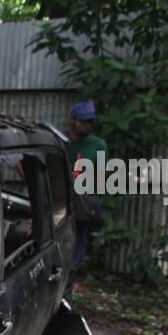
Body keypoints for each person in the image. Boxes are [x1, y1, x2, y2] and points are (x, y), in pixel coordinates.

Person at [64, 99, 106, 302]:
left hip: (80, 210)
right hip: (59, 207)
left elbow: (101, 178)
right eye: (84, 121)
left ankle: (66, 299)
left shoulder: (97, 146)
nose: (88, 125)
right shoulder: (61, 143)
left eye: (91, 122)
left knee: (74, 257)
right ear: (72, 120)